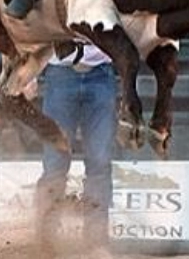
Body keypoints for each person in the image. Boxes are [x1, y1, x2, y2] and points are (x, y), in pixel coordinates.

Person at [34, 43, 115, 255]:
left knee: (99, 161)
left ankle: (96, 241)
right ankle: (47, 241)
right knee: (56, 163)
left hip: (97, 72)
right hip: (68, 73)